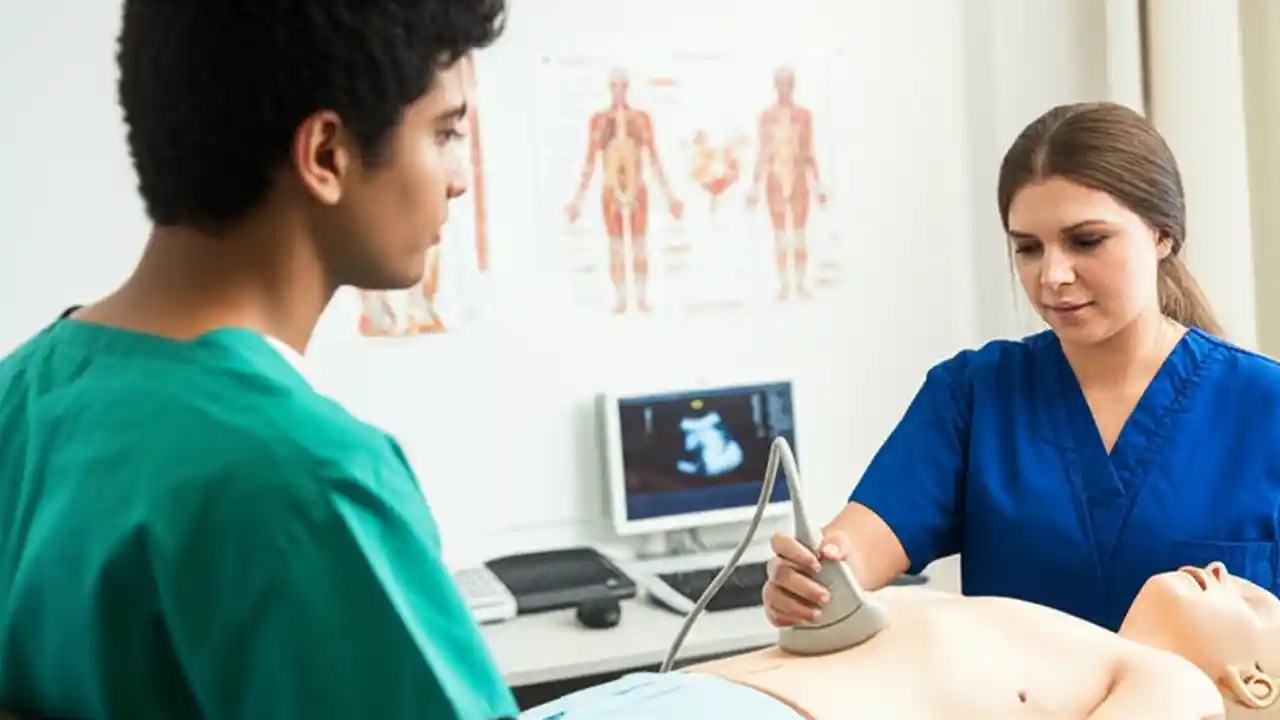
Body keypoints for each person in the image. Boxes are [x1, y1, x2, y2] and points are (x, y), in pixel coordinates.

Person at [0, 2, 518, 719]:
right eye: (446, 131)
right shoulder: (309, 481)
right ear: (327, 156)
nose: (460, 177)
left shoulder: (18, 398)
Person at [763, 101, 1280, 636]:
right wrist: (813, 577)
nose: (1052, 275)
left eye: (1086, 241)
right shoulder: (972, 397)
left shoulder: (1266, 407)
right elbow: (859, 548)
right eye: (1028, 249)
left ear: (1163, 235)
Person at [521, 561, 1278, 719]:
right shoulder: (1061, 640)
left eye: (1251, 598)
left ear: (1254, 682)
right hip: (661, 699)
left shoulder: (1175, 687)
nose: (1220, 568)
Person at [565, 67, 684, 315]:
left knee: (639, 244)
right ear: (610, 89)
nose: (618, 91)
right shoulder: (599, 121)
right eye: (614, 86)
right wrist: (577, 200)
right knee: (616, 246)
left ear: (627, 88)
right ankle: (620, 298)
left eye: (622, 86)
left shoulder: (641, 119)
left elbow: (654, 158)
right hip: (610, 190)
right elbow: (590, 162)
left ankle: (640, 298)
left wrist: (670, 196)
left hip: (637, 188)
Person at [746, 65, 827, 302]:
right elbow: (762, 152)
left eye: (788, 83)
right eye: (780, 83)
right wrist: (755, 185)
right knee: (780, 234)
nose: (784, 88)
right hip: (774, 177)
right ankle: (784, 285)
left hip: (799, 175)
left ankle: (800, 284)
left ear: (793, 85)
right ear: (775, 85)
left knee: (799, 234)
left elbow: (809, 151)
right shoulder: (766, 117)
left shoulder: (804, 116)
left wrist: (818, 184)